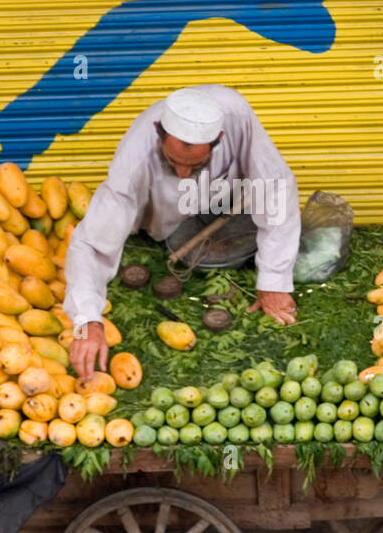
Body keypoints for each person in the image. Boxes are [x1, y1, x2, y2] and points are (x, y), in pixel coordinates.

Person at [65, 85, 300, 382]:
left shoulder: (237, 115)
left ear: (220, 140)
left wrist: (274, 281)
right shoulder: (135, 156)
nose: (183, 173)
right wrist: (87, 320)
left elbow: (275, 185)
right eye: (173, 161)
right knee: (152, 224)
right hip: (162, 208)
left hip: (221, 194)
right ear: (158, 133)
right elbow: (90, 242)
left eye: (195, 164)